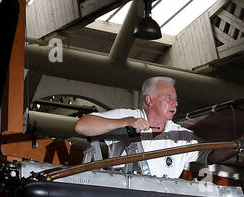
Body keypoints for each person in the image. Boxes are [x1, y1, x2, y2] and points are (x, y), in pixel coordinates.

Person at [73, 76, 203, 177]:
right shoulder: (128, 116)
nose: (175, 103)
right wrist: (126, 123)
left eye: (176, 99)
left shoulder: (182, 135)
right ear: (150, 100)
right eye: (169, 98)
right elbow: (82, 125)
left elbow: (212, 155)